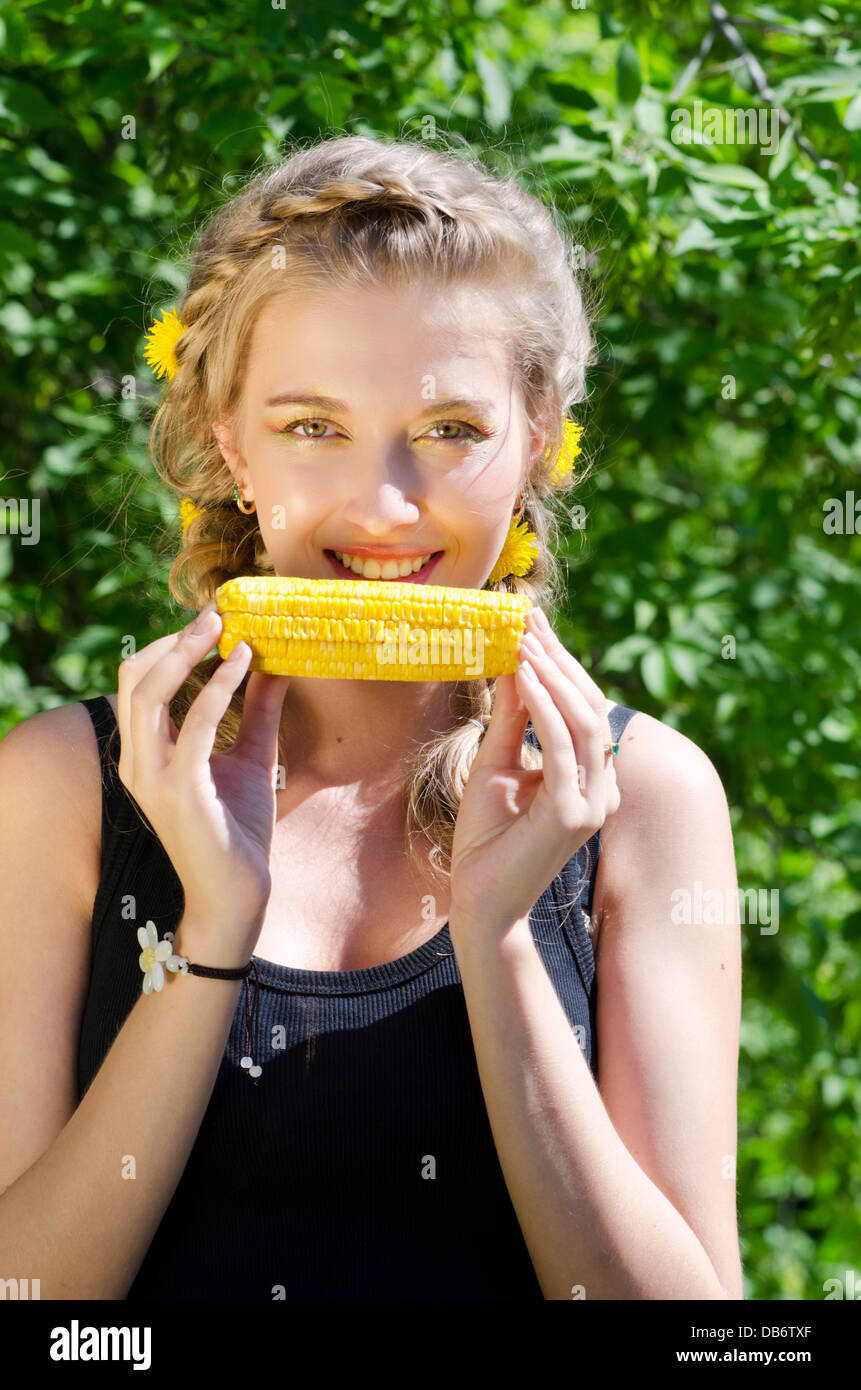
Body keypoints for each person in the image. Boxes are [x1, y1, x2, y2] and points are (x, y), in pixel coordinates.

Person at [0, 133, 743, 1300]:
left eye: (451, 429)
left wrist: (499, 932)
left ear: (539, 434)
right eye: (312, 427)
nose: (387, 505)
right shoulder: (62, 789)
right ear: (232, 443)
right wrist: (215, 925)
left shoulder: (641, 799)